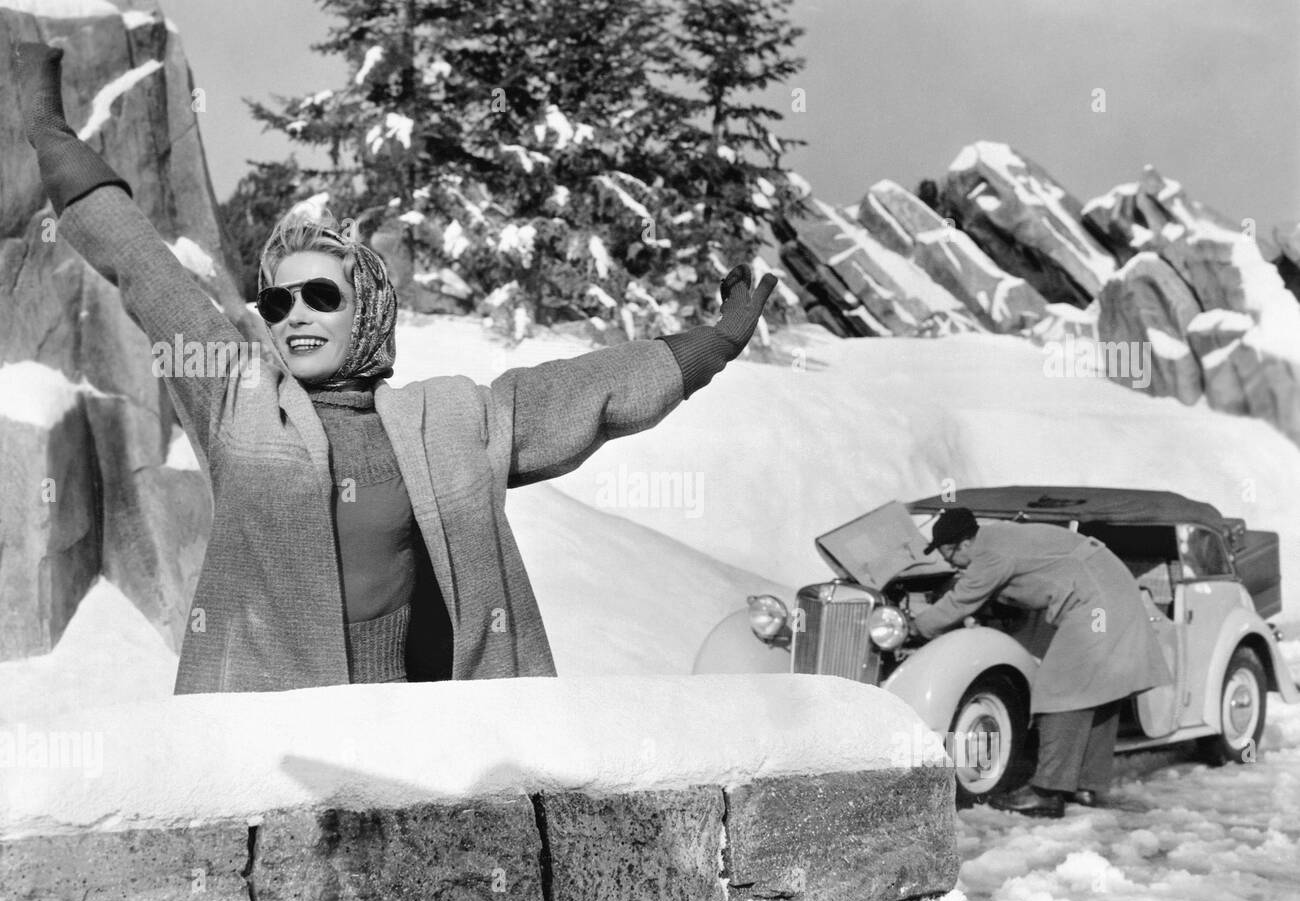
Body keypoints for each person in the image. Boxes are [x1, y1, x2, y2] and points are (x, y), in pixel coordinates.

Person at [13, 42, 776, 693]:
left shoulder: (445, 420)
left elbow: (585, 395)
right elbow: (148, 273)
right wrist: (53, 138)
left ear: (369, 310)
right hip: (270, 746)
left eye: (319, 295)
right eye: (275, 305)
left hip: (425, 731)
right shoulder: (236, 395)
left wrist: (711, 343)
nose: (293, 315)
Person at [911, 507, 1173, 816]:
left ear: (964, 544)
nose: (949, 562)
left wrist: (917, 625)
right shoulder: (999, 538)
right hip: (1114, 594)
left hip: (1097, 608)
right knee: (1099, 694)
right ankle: (1087, 786)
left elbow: (961, 600)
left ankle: (1046, 792)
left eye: (948, 553)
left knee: (1058, 691)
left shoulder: (990, 554)